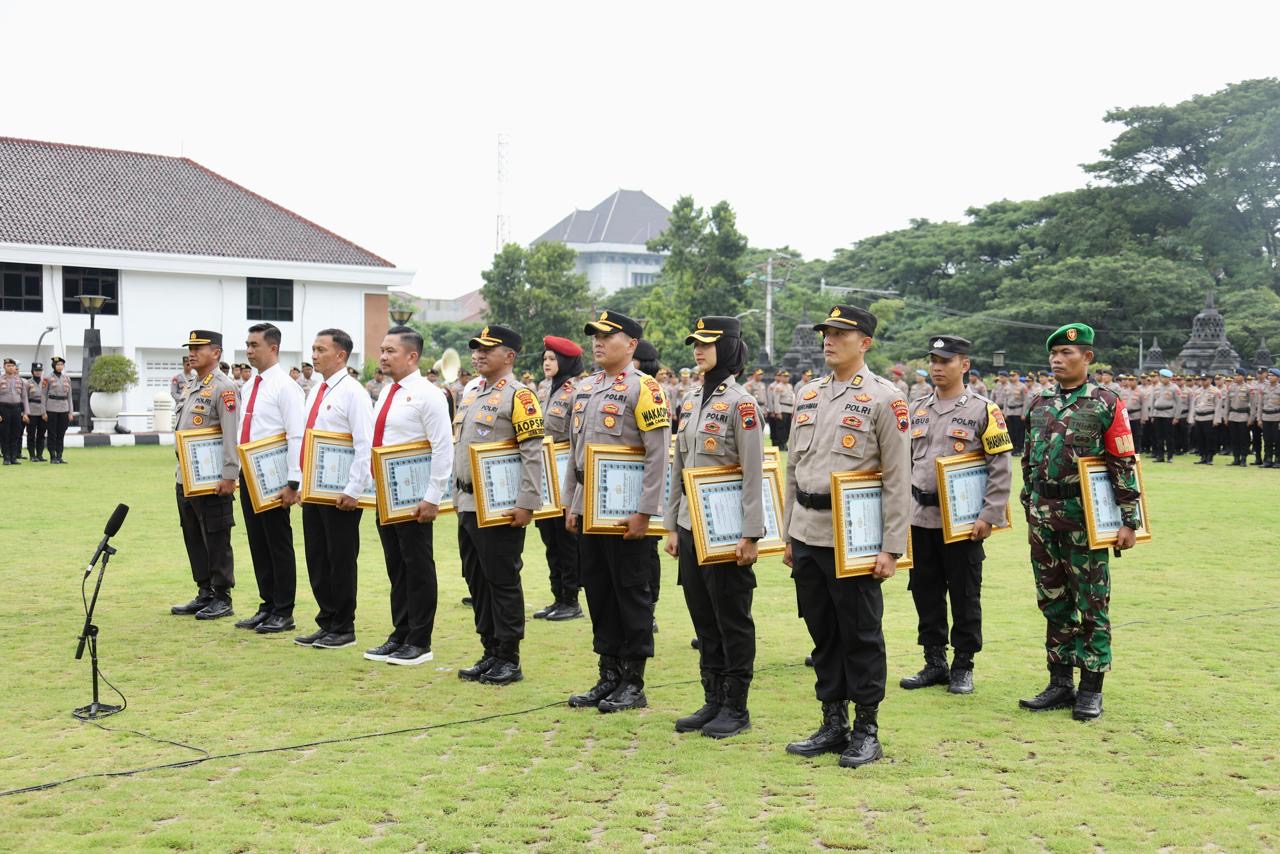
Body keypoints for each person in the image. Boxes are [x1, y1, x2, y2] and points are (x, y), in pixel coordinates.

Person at [782, 305, 908, 769]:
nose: (829, 340)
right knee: (822, 633)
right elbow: (793, 468)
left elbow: (898, 476)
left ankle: (866, 729)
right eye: (826, 333)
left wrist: (891, 546)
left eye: (840, 333)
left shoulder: (885, 398)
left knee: (860, 634)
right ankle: (832, 721)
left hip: (853, 537)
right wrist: (789, 533)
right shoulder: (808, 393)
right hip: (807, 530)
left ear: (865, 342)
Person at [1020, 323, 1139, 721]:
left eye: (1066, 353)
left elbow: (1122, 462)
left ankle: (1090, 688)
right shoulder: (1039, 403)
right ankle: (1059, 682)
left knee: (1091, 603)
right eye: (1054, 354)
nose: (1057, 360)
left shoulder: (1106, 403)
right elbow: (1028, 459)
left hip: (1085, 520)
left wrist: (1129, 520)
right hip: (1043, 519)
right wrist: (1029, 502)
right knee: (1053, 600)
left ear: (1087, 357)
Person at [561, 310, 671, 713]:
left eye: (607, 336)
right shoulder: (586, 387)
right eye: (595, 336)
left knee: (630, 593)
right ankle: (608, 675)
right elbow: (576, 453)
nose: (598, 342)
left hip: (626, 512)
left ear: (631, 344)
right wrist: (571, 503)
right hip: (590, 509)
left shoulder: (646, 388)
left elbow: (658, 455)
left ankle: (633, 681)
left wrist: (645, 511)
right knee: (599, 591)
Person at [664, 316, 762, 739]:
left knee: (731, 618)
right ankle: (713, 698)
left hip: (726, 530)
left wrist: (750, 534)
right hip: (690, 526)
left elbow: (754, 472)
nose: (698, 349)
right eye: (696, 343)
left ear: (729, 348)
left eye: (707, 343)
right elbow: (679, 467)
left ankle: (736, 706)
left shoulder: (743, 404)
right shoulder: (689, 401)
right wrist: (671, 525)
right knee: (703, 617)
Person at [900, 336, 1013, 695]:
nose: (937, 367)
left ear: (964, 365)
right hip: (919, 517)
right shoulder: (916, 408)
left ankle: (963, 664)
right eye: (933, 360)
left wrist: (989, 515)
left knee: (965, 593)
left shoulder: (984, 410)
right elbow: (904, 463)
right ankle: (934, 662)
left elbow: (1000, 467)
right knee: (924, 590)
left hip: (962, 522)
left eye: (945, 361)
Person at [452, 325, 545, 685]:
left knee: (502, 579)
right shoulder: (472, 393)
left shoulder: (519, 396)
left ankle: (509, 656)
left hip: (500, 506)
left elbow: (532, 452)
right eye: (476, 349)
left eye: (487, 349)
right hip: (468, 501)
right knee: (476, 578)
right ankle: (489, 649)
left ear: (509, 356)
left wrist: (526, 503)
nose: (478, 354)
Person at [363, 326, 453, 666]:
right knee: (397, 566)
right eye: (382, 350)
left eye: (391, 351)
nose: (383, 356)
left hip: (415, 497)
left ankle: (419, 640)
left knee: (417, 566)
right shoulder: (388, 391)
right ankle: (400, 633)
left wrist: (433, 496)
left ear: (412, 356)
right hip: (387, 495)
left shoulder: (429, 395)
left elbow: (443, 447)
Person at [294, 329, 373, 651]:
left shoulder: (354, 393)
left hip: (341, 493)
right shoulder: (317, 390)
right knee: (317, 557)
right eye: (313, 349)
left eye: (321, 349)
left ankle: (343, 626)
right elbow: (308, 439)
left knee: (339, 559)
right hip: (315, 489)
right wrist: (303, 484)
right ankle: (326, 620)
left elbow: (364, 443)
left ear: (340, 355)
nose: (314, 355)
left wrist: (354, 489)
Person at [233, 323, 306, 635]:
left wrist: (293, 482)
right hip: (249, 473)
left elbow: (296, 434)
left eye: (255, 345)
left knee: (277, 542)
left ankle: (283, 610)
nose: (249, 351)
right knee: (258, 542)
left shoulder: (286, 387)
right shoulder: (251, 384)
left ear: (273, 348)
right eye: (247, 344)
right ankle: (267, 604)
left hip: (275, 476)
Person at [169, 331, 241, 620]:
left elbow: (230, 434)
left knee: (216, 536)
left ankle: (222, 596)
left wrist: (229, 475)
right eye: (190, 347)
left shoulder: (224, 388)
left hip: (212, 479)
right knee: (193, 535)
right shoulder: (192, 384)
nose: (192, 352)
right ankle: (204, 591)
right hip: (186, 476)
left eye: (199, 348)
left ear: (216, 353)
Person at [534, 335, 585, 621]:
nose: (547, 363)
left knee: (566, 541)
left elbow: (577, 438)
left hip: (565, 475)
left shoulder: (575, 392)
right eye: (545, 358)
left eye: (553, 359)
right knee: (549, 538)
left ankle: (571, 599)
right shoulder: (543, 389)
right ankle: (557, 596)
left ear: (565, 361)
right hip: (544, 477)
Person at [41, 357, 73, 464]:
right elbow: (43, 395)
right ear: (54, 366)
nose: (60, 366)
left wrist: (71, 412)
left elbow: (70, 396)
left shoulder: (67, 378)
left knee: (61, 433)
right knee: (52, 433)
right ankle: (52, 456)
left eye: (61, 364)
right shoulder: (47, 378)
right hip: (51, 408)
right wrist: (43, 412)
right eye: (57, 364)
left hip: (64, 408)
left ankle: (59, 455)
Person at [1, 358, 31, 465]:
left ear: (15, 368)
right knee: (5, 434)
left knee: (16, 433)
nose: (11, 368)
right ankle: (6, 457)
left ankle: (13, 457)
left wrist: (26, 413)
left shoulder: (20, 381)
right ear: (4, 367)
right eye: (8, 366)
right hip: (3, 409)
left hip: (16, 409)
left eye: (13, 366)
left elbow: (24, 397)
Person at [1148, 369, 1180, 462]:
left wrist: (1176, 416)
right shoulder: (1156, 387)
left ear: (1169, 378)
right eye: (1161, 377)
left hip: (1168, 415)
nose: (1163, 379)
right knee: (1159, 437)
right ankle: (1160, 456)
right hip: (1157, 414)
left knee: (1169, 437)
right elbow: (1152, 402)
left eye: (1165, 377)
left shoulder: (1174, 388)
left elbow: (1179, 403)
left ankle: (1170, 456)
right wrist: (1152, 415)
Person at [1190, 373, 1223, 464]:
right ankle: (1203, 456)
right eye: (1202, 379)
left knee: (1210, 438)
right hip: (1199, 417)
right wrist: (1192, 418)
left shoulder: (1215, 391)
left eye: (1205, 380)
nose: (1202, 381)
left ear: (1210, 380)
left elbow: (1218, 406)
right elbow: (1194, 405)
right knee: (1200, 438)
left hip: (1209, 417)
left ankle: (1210, 457)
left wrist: (1216, 420)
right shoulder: (1197, 391)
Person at [1225, 370, 1254, 466]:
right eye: (1235, 375)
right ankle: (1236, 458)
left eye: (1237, 375)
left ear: (1243, 376)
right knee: (1234, 438)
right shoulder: (1231, 387)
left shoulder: (1249, 388)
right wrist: (1226, 417)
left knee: (1244, 439)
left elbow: (1253, 405)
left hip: (1243, 416)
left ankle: (1243, 458)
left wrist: (1251, 418)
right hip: (1232, 416)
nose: (1235, 377)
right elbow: (1227, 403)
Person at [767, 369, 794, 450]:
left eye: (787, 376)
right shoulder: (778, 387)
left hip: (789, 409)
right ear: (781, 377)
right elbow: (776, 400)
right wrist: (778, 412)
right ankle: (781, 444)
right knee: (781, 428)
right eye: (784, 376)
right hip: (782, 409)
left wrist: (793, 411)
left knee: (788, 428)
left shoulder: (790, 386)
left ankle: (785, 443)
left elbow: (792, 399)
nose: (786, 378)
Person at [25, 363, 47, 462]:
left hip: (43, 411)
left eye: (40, 370)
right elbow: (24, 398)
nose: (38, 372)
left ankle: (39, 455)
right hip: (32, 410)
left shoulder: (45, 382)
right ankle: (32, 455)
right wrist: (25, 412)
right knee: (31, 434)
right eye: (36, 370)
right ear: (32, 371)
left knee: (41, 434)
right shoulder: (28, 382)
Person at [1260, 367, 1280, 467]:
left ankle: (1278, 460)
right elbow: (1260, 404)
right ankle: (1267, 460)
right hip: (1266, 417)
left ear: (1278, 378)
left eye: (1273, 375)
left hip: (1277, 417)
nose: (1270, 377)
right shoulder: (1264, 388)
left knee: (1277, 440)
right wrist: (1259, 418)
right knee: (1267, 439)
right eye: (1269, 375)